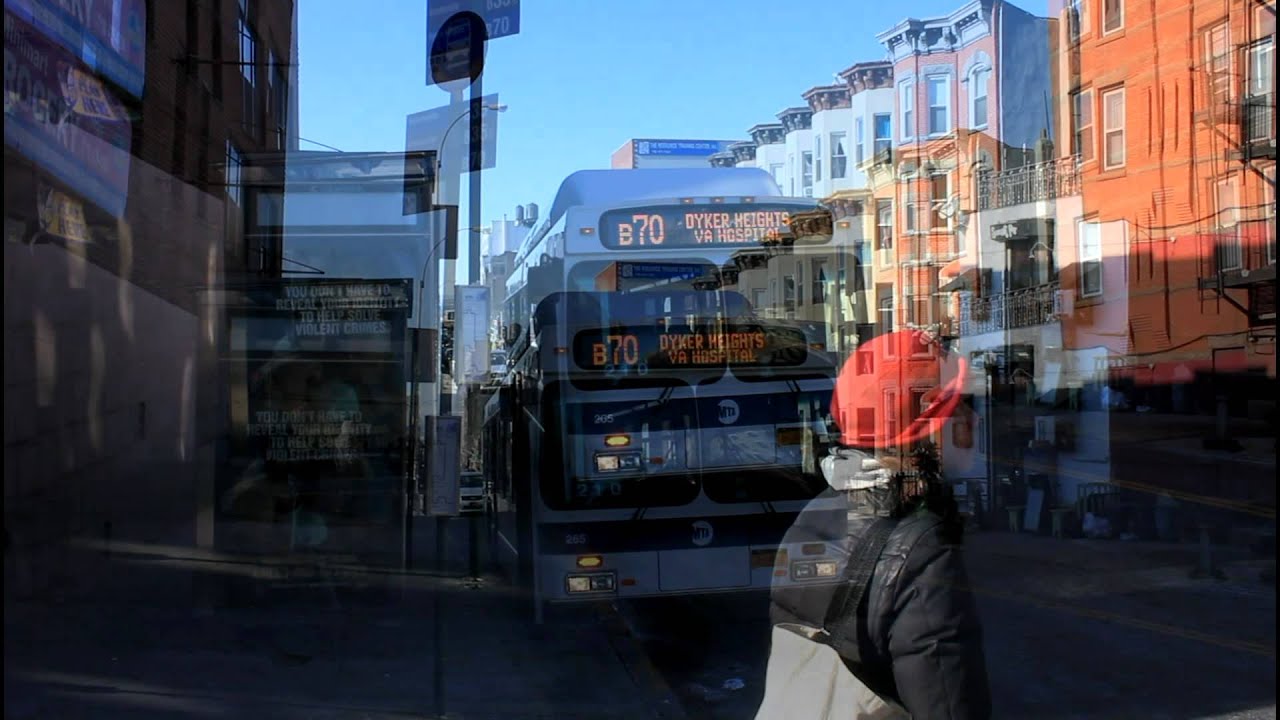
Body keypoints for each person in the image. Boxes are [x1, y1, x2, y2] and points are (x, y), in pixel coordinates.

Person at [764, 329, 992, 719]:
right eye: (960, 405)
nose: (973, 417)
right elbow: (949, 705)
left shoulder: (821, 509)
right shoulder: (921, 550)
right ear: (925, 436)